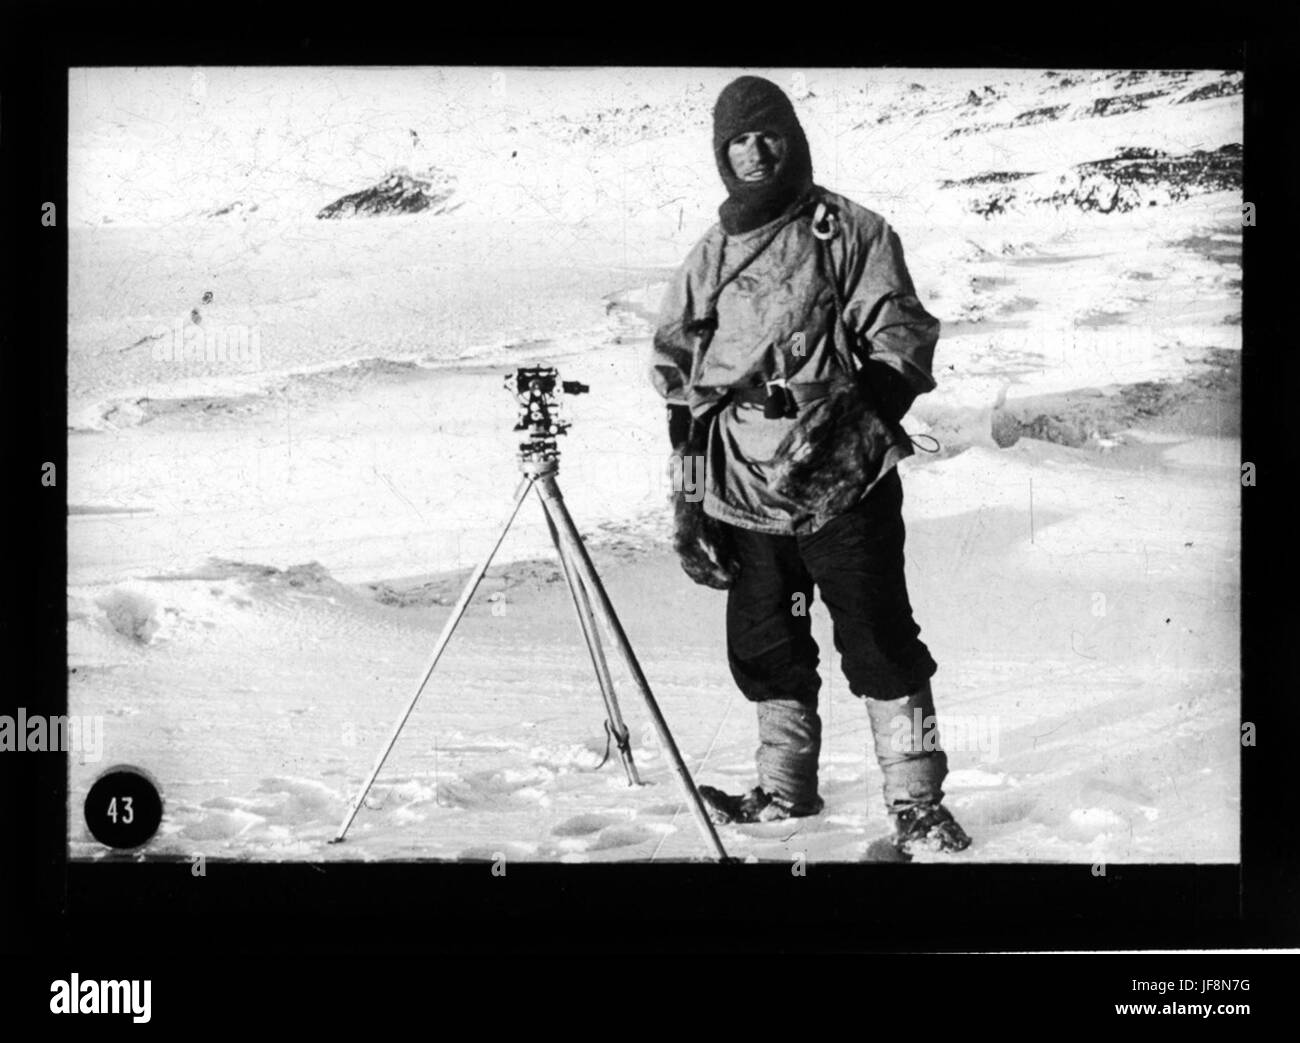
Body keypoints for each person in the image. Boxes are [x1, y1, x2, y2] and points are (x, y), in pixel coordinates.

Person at [649, 75, 971, 856]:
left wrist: (856, 426)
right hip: (740, 483)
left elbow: (901, 339)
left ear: (793, 139)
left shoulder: (848, 230)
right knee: (766, 642)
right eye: (738, 140)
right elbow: (683, 395)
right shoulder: (712, 254)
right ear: (720, 153)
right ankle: (785, 789)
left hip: (842, 479)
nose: (755, 152)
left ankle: (918, 800)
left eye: (769, 136)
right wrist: (690, 503)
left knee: (880, 638)